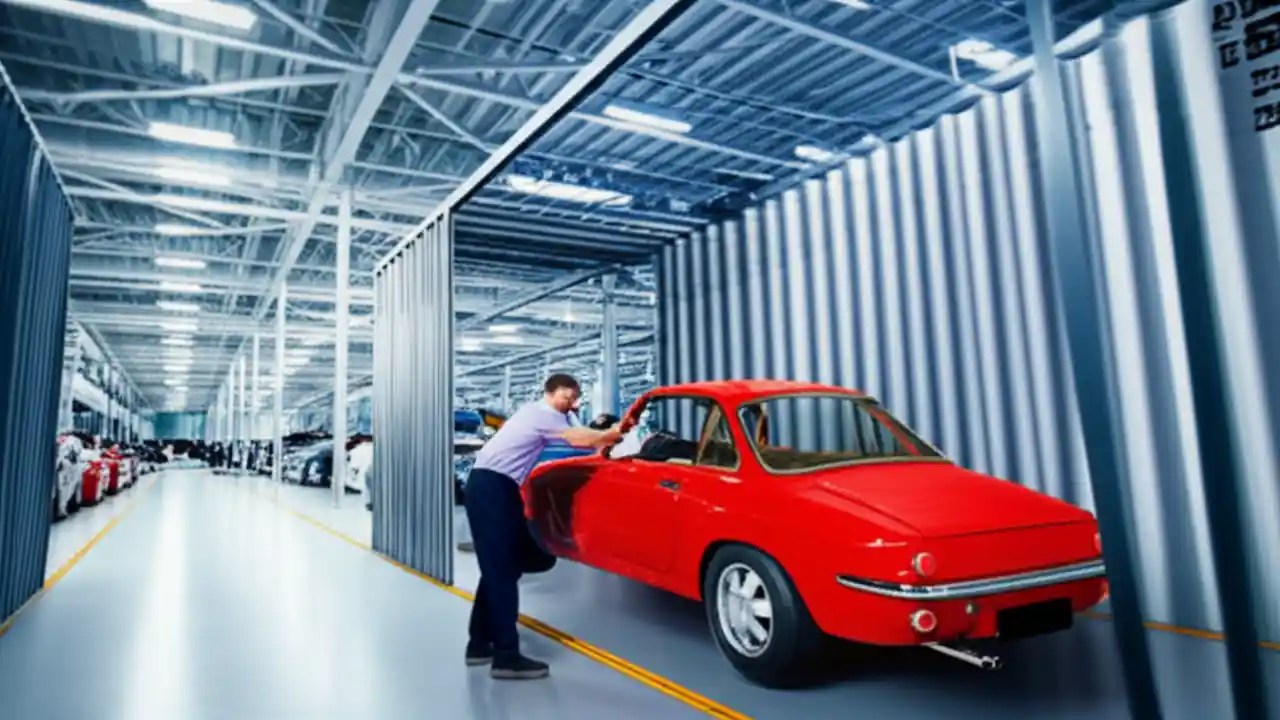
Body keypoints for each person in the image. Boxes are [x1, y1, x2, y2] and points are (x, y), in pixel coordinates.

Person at [464, 373, 621, 679]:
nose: (570, 403)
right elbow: (580, 439)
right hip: (490, 487)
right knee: (501, 572)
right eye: (565, 397)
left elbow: (581, 436)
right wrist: (615, 433)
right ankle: (506, 657)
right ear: (549, 393)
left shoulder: (559, 415)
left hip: (502, 488)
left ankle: (479, 644)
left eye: (574, 398)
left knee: (505, 566)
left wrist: (601, 434)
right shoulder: (540, 414)